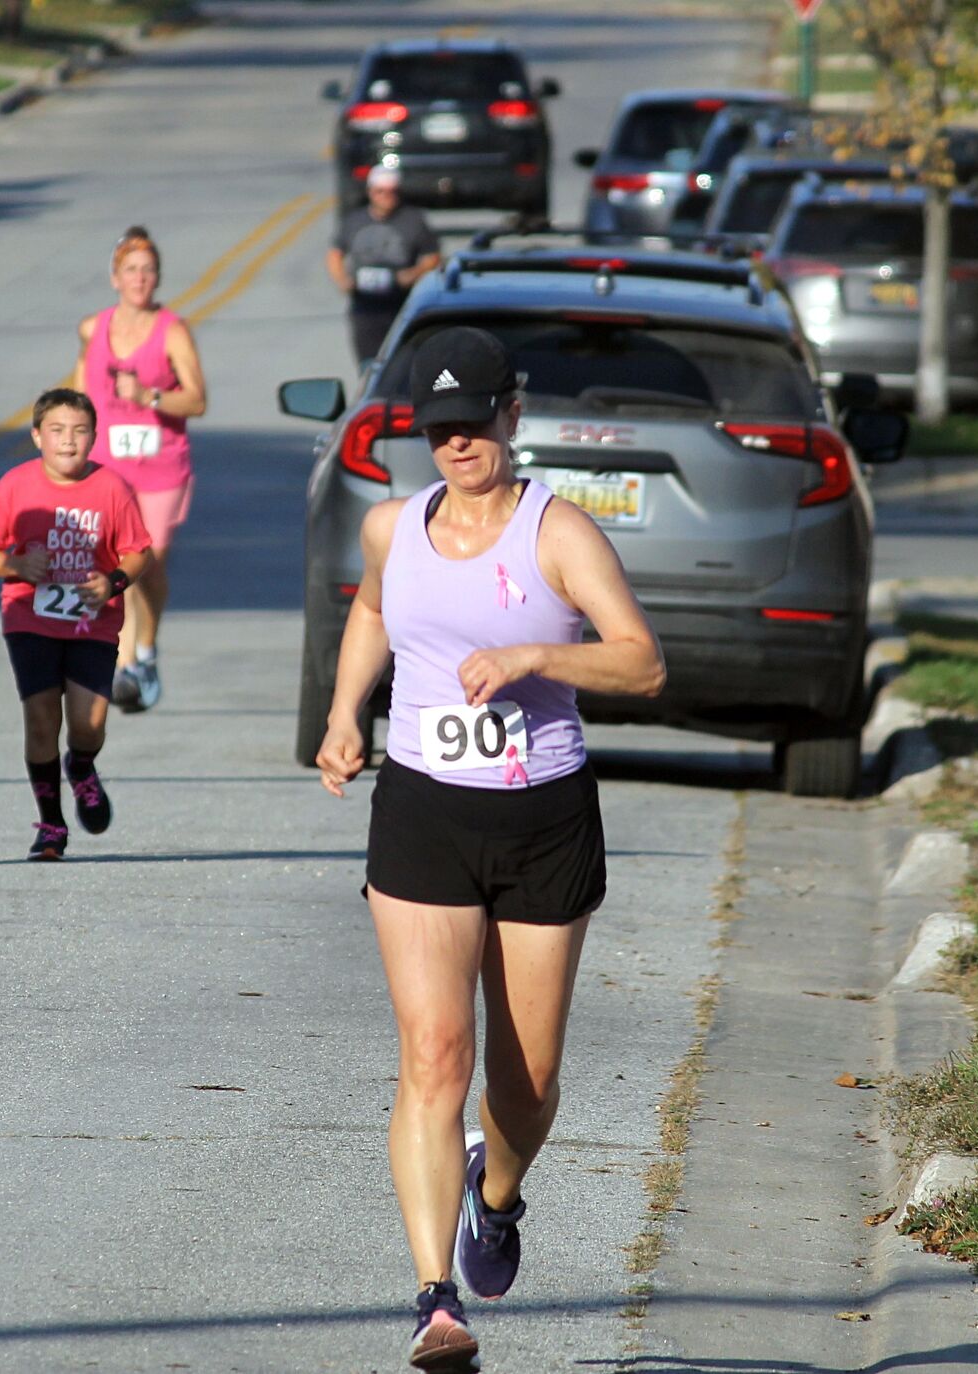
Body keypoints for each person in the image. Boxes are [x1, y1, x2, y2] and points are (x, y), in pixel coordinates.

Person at [314, 327, 666, 1370]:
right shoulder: (392, 528)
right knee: (433, 1055)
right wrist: (345, 717)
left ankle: (497, 1194)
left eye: (473, 425)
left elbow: (642, 663)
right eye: (440, 430)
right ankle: (432, 1300)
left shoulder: (557, 535)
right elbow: (372, 613)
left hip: (541, 817)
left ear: (512, 417)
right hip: (423, 805)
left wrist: (530, 655)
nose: (457, 445)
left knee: (525, 1081)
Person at [0, 388, 154, 860]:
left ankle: (82, 765)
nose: (68, 441)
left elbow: (138, 552)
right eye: (56, 431)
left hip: (93, 621)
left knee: (89, 725)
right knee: (41, 717)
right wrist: (16, 565)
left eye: (79, 431)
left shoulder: (113, 488)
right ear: (36, 437)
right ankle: (51, 824)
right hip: (29, 618)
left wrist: (112, 583)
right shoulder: (15, 486)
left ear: (94, 437)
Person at [74, 225, 207, 713]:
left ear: (157, 278)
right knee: (120, 562)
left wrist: (150, 396)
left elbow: (197, 399)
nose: (140, 278)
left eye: (148, 271)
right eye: (131, 270)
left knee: (152, 557)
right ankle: (129, 663)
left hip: (161, 465)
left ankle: (147, 647)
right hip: (109, 466)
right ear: (115, 277)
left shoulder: (172, 330)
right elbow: (81, 390)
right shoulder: (95, 328)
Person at [327, 166, 442, 368]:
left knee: (402, 365)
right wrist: (343, 280)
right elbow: (335, 254)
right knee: (370, 366)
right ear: (371, 192)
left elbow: (433, 257)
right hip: (365, 309)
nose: (387, 196)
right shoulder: (354, 220)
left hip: (401, 306)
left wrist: (413, 274)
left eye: (392, 191)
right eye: (381, 191)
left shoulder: (414, 220)